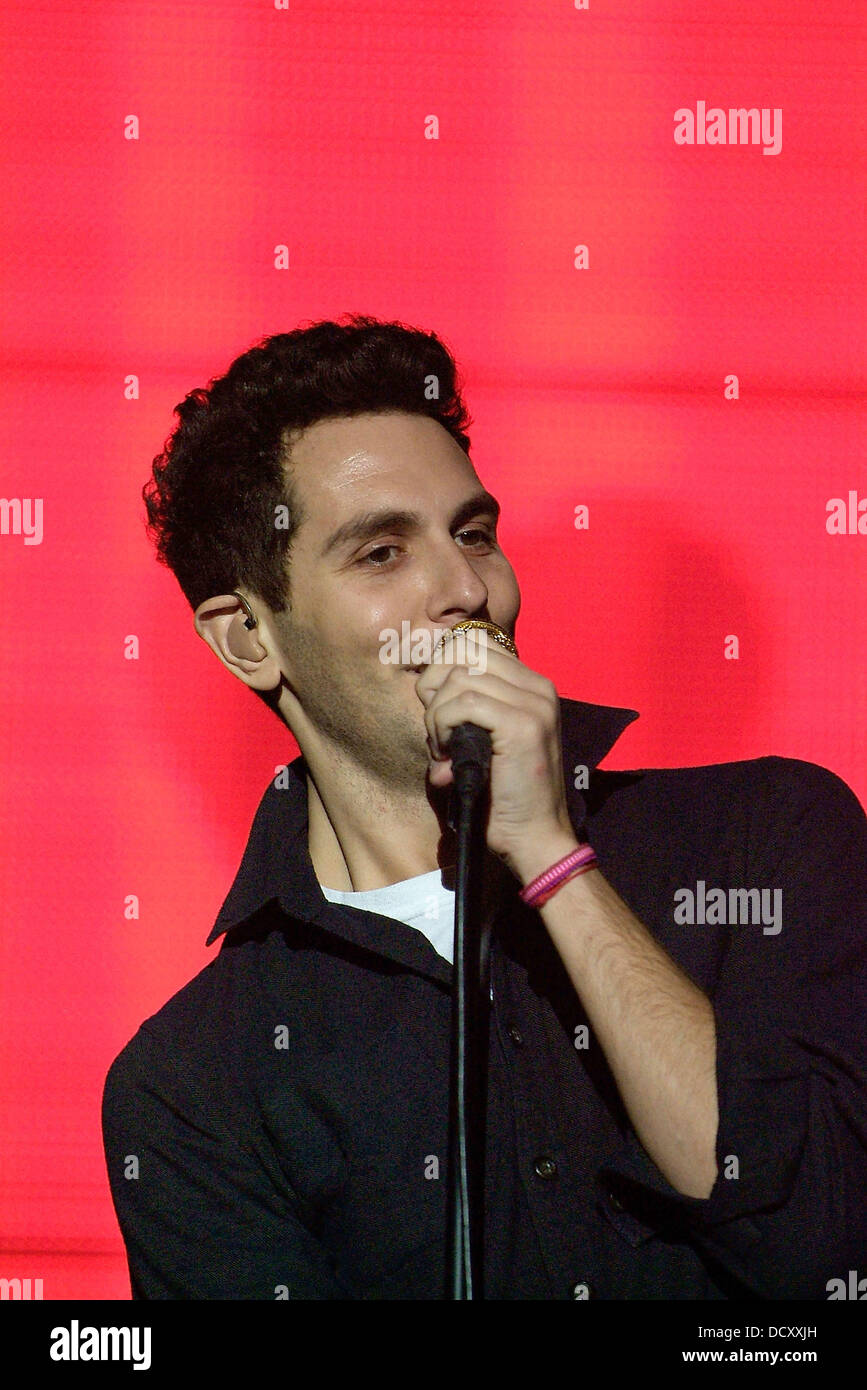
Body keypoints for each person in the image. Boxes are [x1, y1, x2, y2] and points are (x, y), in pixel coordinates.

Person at [102, 314, 867, 1300]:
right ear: (250, 637)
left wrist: (553, 859)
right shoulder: (199, 1083)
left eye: (473, 533)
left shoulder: (765, 833)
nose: (468, 588)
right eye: (382, 552)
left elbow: (832, 1253)